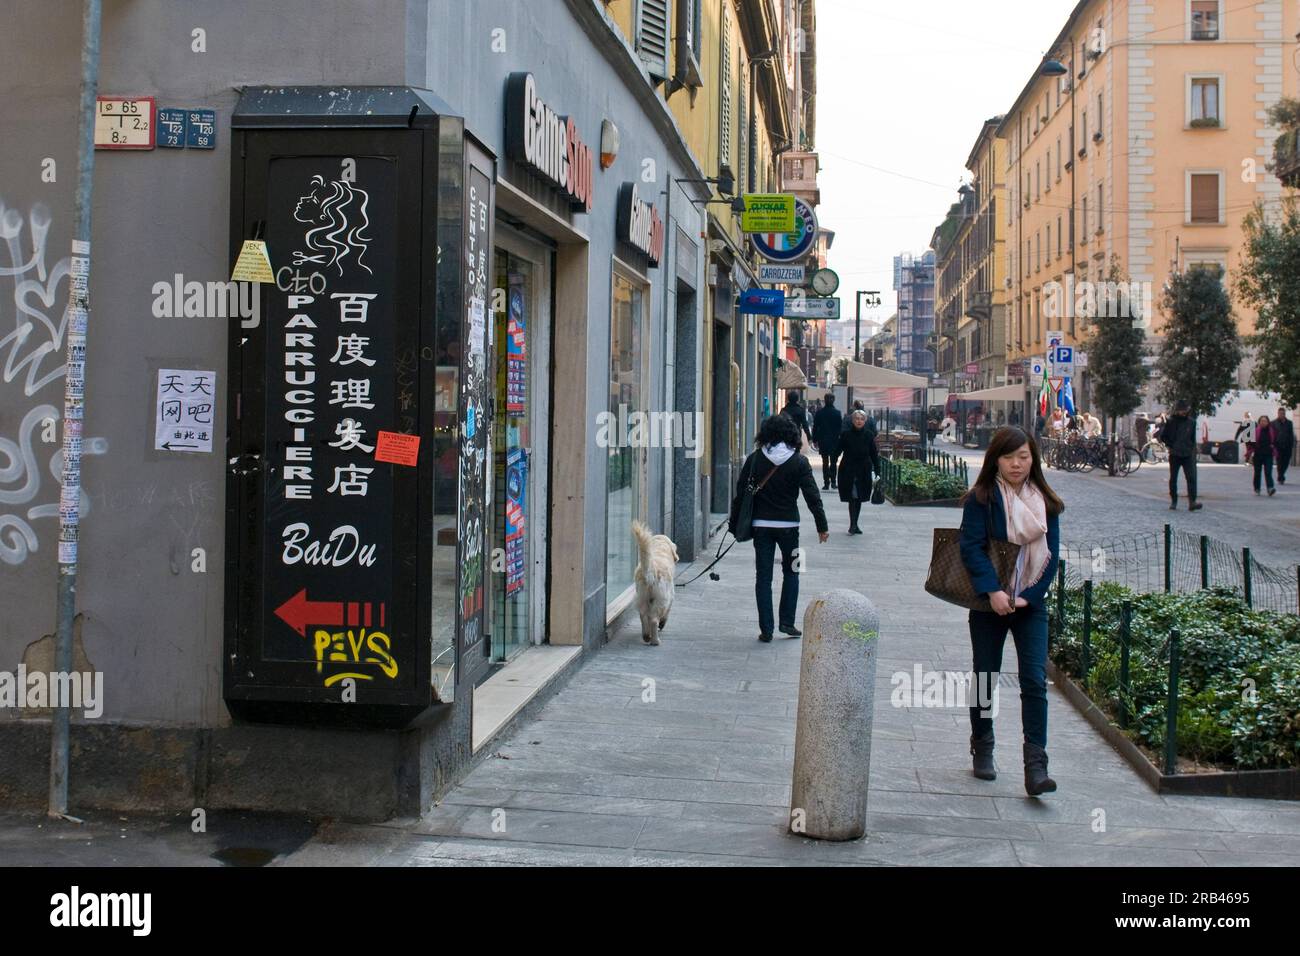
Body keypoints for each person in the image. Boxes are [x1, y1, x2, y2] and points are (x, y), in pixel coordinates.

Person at [959, 426, 1063, 797]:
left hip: (1029, 605)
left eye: (1023, 456)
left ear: (1033, 458)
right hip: (989, 604)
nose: (1017, 464)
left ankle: (1036, 766)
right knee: (985, 675)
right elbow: (970, 547)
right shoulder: (981, 499)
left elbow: (1052, 557)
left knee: (1034, 679)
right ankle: (982, 745)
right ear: (996, 460)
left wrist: (1029, 596)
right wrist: (992, 591)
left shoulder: (1045, 501)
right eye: (1009, 457)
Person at [729, 415, 829, 643]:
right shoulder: (799, 462)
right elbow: (812, 495)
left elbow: (741, 494)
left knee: (763, 577)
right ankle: (787, 622)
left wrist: (734, 524)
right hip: (790, 528)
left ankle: (766, 628)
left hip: (761, 528)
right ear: (791, 435)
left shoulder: (755, 459)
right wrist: (822, 525)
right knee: (793, 572)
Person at [837, 409, 881, 535]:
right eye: (857, 419)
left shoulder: (868, 435)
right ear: (853, 420)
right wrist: (832, 467)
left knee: (859, 497)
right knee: (852, 497)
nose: (859, 421)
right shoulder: (846, 435)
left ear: (865, 421)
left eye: (861, 419)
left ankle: (855, 524)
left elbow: (874, 454)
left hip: (863, 470)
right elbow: (837, 451)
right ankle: (853, 524)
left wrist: (878, 470)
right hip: (849, 470)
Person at [1157, 400, 1202, 511]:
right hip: (1175, 454)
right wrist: (1170, 445)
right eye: (1181, 410)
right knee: (1173, 478)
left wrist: (1192, 447)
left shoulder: (1191, 422)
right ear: (1177, 411)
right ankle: (1174, 501)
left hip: (1187, 454)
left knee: (1191, 477)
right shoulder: (1171, 421)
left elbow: (1192, 437)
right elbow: (1163, 436)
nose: (1183, 412)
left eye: (1185, 410)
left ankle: (1192, 501)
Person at [811, 392, 843, 490]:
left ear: (824, 400)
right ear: (833, 400)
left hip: (823, 441)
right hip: (834, 441)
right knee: (833, 462)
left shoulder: (820, 413)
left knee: (825, 462)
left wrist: (815, 440)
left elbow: (815, 427)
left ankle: (826, 483)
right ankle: (833, 482)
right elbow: (840, 428)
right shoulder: (837, 413)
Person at [1252, 414, 1278, 496]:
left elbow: (1275, 441)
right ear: (1259, 422)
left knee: (1268, 472)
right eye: (1262, 421)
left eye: (1265, 421)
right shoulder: (1255, 431)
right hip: (1258, 454)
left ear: (1268, 422)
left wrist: (1273, 446)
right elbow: (1250, 443)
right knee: (1257, 472)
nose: (1263, 422)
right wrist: (1250, 453)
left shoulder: (1271, 431)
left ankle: (1270, 488)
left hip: (1268, 454)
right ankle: (1257, 488)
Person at [1273, 408, 1294, 485]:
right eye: (1280, 413)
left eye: (1283, 413)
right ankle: (1281, 477)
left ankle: (1281, 475)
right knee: (1279, 462)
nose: (1281, 415)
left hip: (1287, 446)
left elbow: (1291, 434)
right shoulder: (1273, 423)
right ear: (1278, 414)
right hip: (1278, 446)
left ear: (1285, 414)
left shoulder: (1289, 423)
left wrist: (1291, 445)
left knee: (1286, 462)